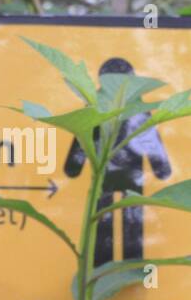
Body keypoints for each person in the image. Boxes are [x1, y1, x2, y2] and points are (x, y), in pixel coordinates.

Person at [64, 57, 171, 266]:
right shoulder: (102, 108)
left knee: (125, 218)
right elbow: (83, 137)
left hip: (122, 176)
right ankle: (112, 264)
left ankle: (120, 264)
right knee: (114, 218)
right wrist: (161, 169)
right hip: (117, 175)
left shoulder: (130, 110)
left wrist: (73, 166)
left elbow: (149, 138)